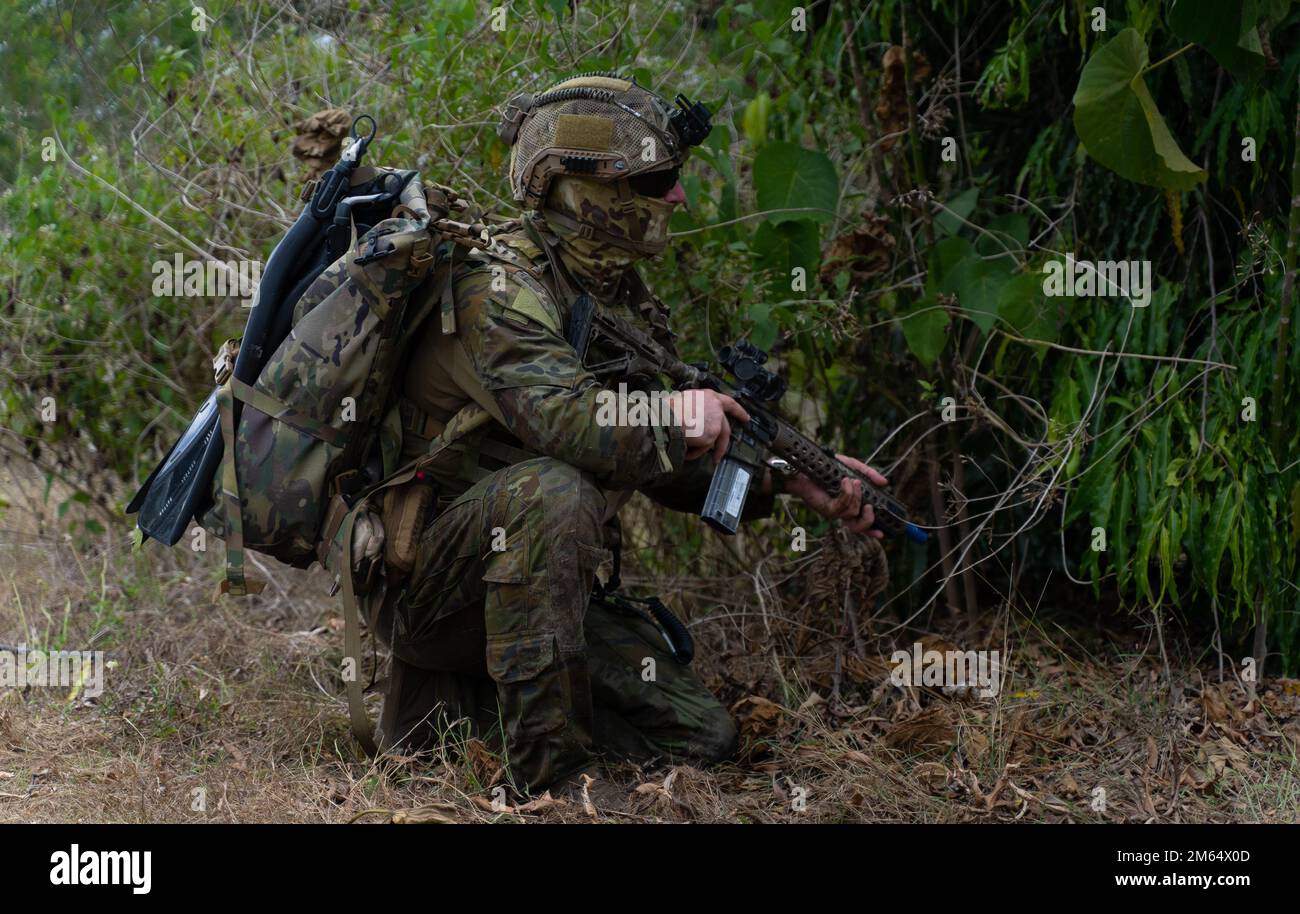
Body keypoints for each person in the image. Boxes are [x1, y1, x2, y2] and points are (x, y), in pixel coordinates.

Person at [367, 72, 888, 795]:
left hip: (527, 592)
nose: (675, 198)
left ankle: (455, 714)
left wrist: (790, 478)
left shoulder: (614, 299)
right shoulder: (497, 291)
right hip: (430, 583)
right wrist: (676, 414)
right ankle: (552, 785)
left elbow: (658, 461)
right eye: (656, 181)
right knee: (553, 491)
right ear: (585, 189)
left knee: (705, 735)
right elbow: (571, 423)